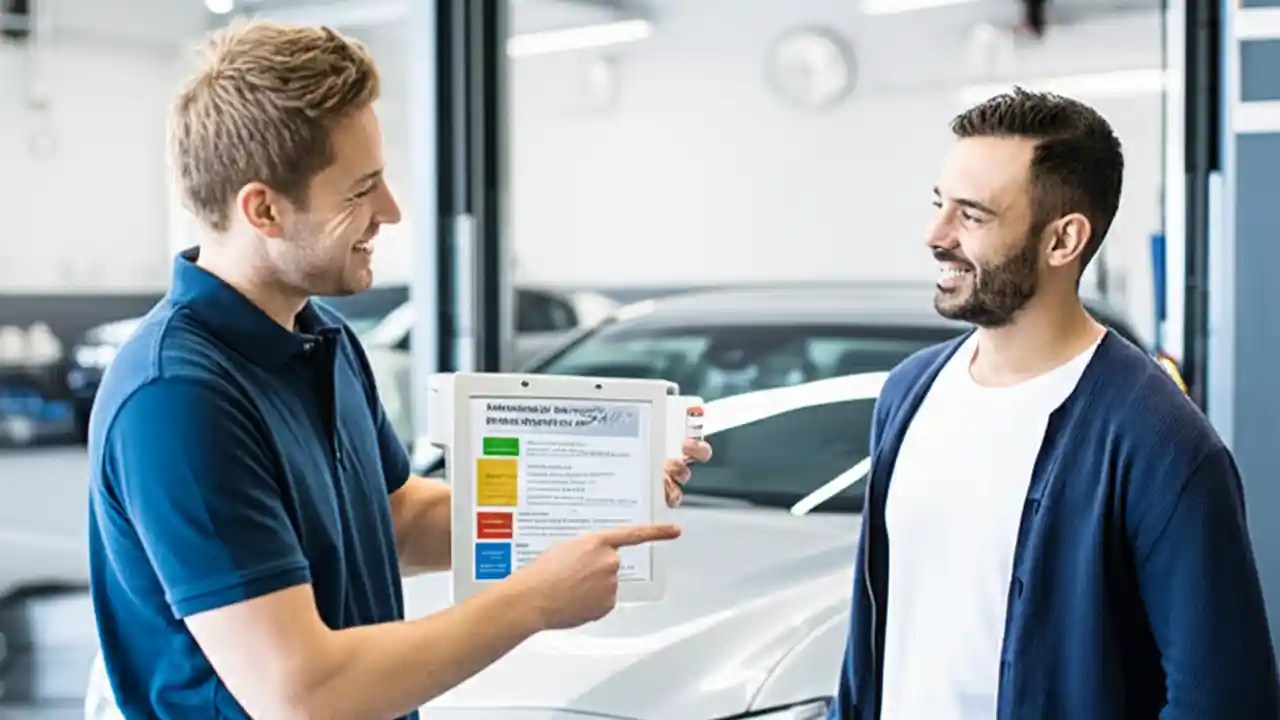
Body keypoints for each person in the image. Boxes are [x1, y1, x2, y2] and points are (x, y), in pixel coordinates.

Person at [85, 19, 711, 720]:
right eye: (362, 190)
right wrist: (532, 601)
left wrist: (604, 490)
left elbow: (397, 519)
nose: (391, 211)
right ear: (262, 209)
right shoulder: (178, 399)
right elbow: (303, 695)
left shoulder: (321, 338)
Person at [829, 88, 1280, 720]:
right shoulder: (909, 392)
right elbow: (871, 651)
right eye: (939, 205)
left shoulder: (1159, 441)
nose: (936, 236)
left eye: (973, 215)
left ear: (1064, 239)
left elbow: (1226, 700)